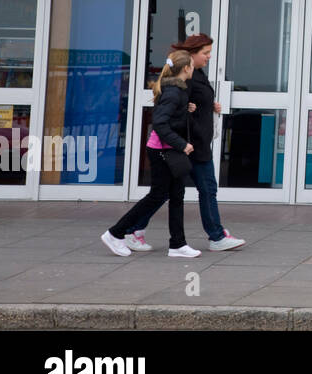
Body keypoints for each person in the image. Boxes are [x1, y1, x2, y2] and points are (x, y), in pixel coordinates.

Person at [121, 34, 245, 252]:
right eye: (205, 53)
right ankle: (215, 236)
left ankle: (134, 229)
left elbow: (191, 104)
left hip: (194, 143)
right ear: (191, 55)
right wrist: (186, 135)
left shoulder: (196, 73)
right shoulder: (186, 78)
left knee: (168, 192)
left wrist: (210, 106)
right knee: (199, 189)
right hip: (189, 144)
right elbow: (175, 109)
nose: (208, 57)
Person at [102, 51, 200, 258]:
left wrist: (185, 110)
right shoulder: (174, 92)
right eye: (192, 65)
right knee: (158, 195)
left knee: (176, 195)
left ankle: (178, 245)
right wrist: (182, 144)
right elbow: (160, 123)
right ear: (185, 68)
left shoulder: (177, 91)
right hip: (162, 151)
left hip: (167, 150)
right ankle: (115, 233)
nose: (194, 68)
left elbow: (170, 118)